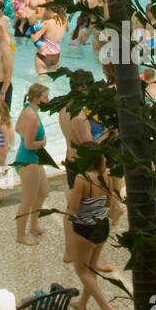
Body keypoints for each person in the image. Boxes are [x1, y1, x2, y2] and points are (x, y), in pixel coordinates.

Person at [66, 155, 117, 310]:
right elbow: (109, 203)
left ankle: (105, 307)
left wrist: (69, 195)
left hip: (85, 227)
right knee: (92, 268)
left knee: (82, 272)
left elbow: (73, 208)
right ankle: (82, 304)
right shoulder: (107, 175)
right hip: (102, 225)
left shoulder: (82, 178)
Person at [58, 77, 93, 263]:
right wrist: (108, 135)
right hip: (81, 164)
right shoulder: (79, 117)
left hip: (70, 160)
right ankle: (87, 253)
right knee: (89, 208)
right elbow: (88, 145)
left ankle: (69, 251)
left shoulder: (64, 109)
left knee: (72, 207)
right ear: (82, 87)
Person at [14, 83, 50, 245]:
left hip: (33, 159)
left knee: (43, 191)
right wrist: (42, 142)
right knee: (27, 201)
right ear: (37, 98)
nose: (48, 100)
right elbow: (29, 144)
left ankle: (34, 226)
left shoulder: (28, 109)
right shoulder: (32, 116)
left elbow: (16, 128)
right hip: (28, 161)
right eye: (45, 97)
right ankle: (21, 235)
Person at [30, 7, 67, 74]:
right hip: (56, 56)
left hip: (43, 56)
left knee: (41, 81)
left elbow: (35, 38)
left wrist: (32, 31)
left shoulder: (47, 23)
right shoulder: (64, 22)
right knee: (52, 80)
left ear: (50, 10)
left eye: (46, 10)